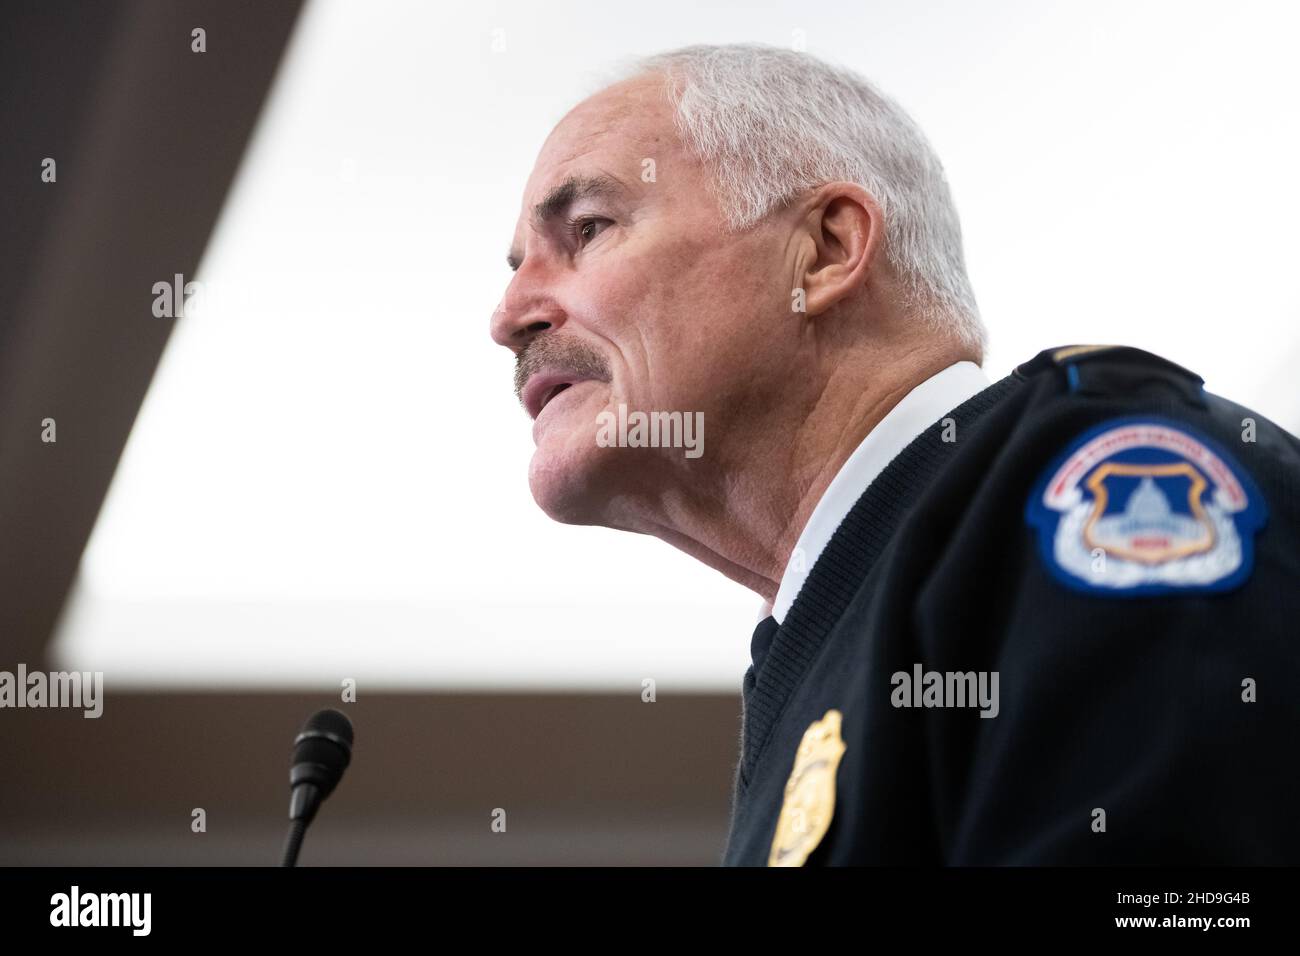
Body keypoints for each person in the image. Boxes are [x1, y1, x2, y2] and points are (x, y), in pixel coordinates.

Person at [490, 43, 1300, 865]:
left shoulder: (1097, 481)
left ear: (828, 250)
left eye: (587, 230)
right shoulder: (823, 642)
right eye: (518, 267)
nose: (508, 314)